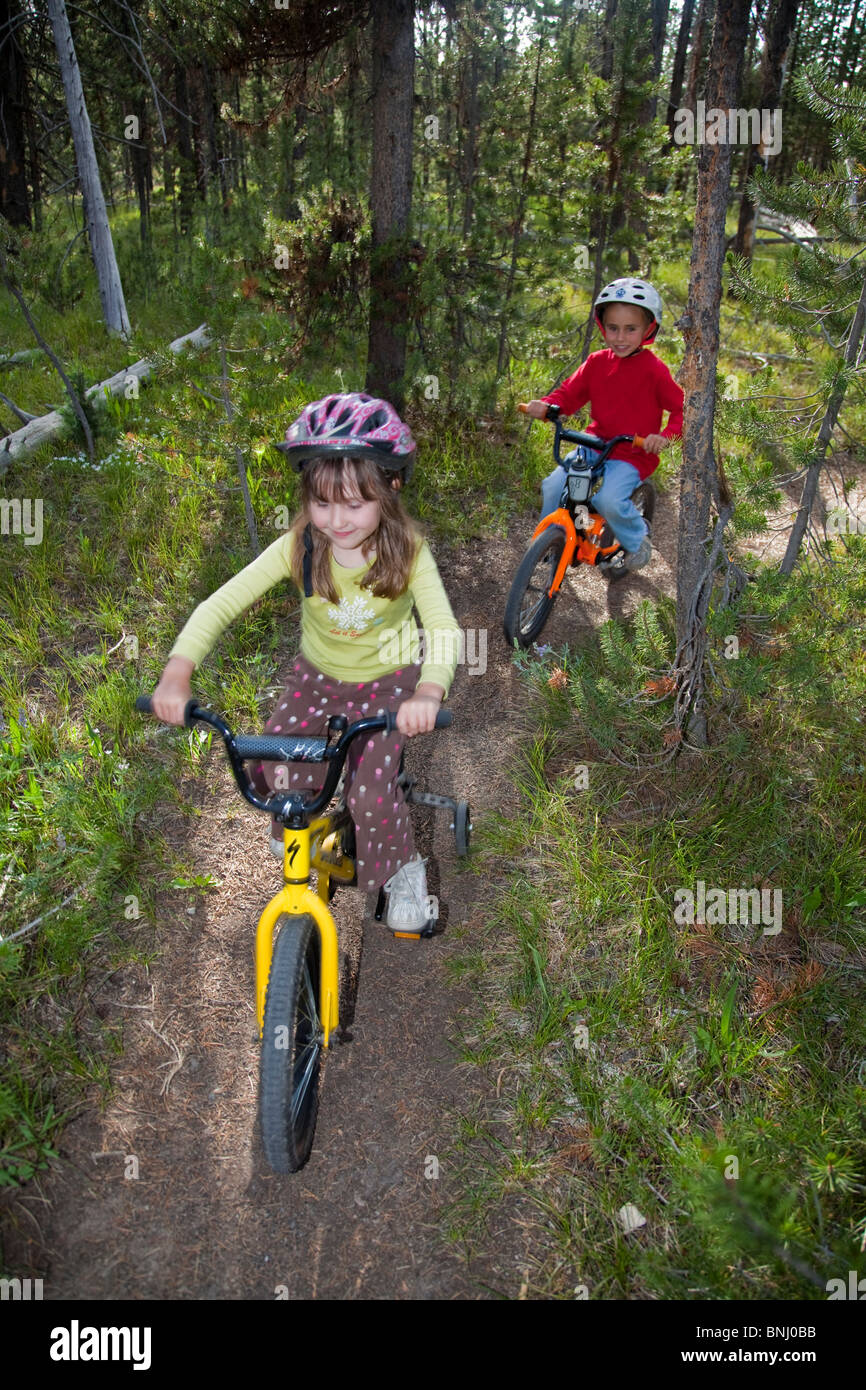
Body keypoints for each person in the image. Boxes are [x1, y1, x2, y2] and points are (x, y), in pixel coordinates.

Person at [149, 392, 461, 932]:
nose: (337, 520)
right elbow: (220, 603)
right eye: (322, 502)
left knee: (371, 794)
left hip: (387, 684)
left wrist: (428, 691)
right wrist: (178, 672)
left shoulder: (408, 550)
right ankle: (304, 821)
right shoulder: (301, 545)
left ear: (390, 488)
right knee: (279, 764)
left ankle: (402, 869)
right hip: (316, 680)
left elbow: (443, 628)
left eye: (354, 504)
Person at [522, 277, 683, 571]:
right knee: (554, 484)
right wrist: (547, 406)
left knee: (609, 500)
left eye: (630, 329)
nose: (620, 337)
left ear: (648, 329)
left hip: (632, 453)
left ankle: (637, 539)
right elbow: (569, 394)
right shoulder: (597, 362)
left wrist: (665, 436)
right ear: (602, 326)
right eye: (613, 328)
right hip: (595, 443)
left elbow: (681, 410)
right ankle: (552, 541)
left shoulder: (654, 371)